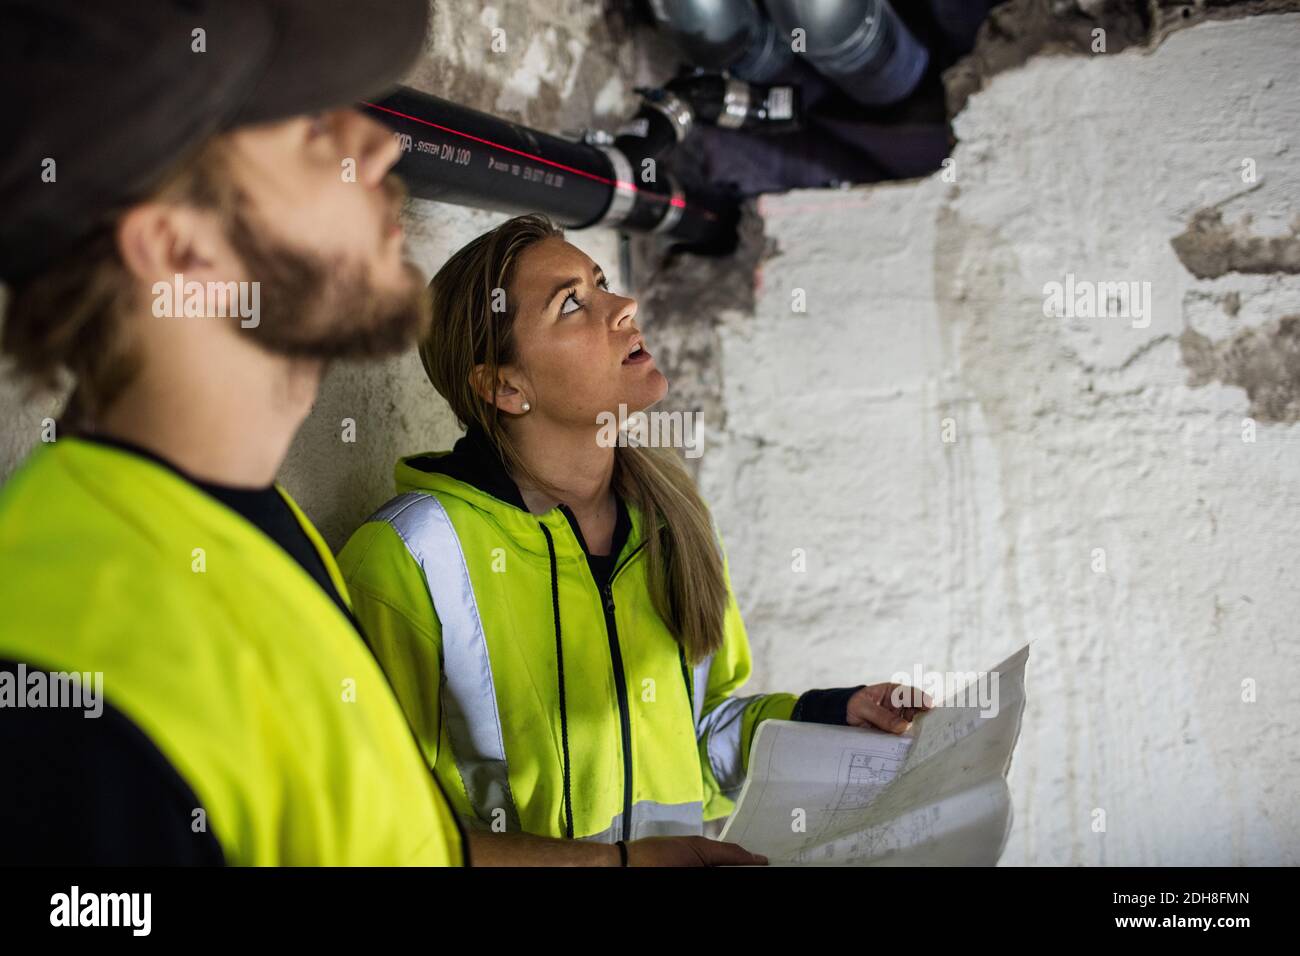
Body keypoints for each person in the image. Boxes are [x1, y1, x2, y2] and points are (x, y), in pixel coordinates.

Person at [0, 0, 759, 868]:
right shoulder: (78, 661)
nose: (376, 149)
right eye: (311, 131)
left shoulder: (247, 528)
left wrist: (625, 865)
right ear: (179, 251)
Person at [338, 213, 934, 844]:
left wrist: (829, 715)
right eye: (572, 303)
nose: (624, 306)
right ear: (505, 386)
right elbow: (373, 828)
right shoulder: (409, 559)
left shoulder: (673, 520)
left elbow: (696, 741)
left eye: (601, 283)